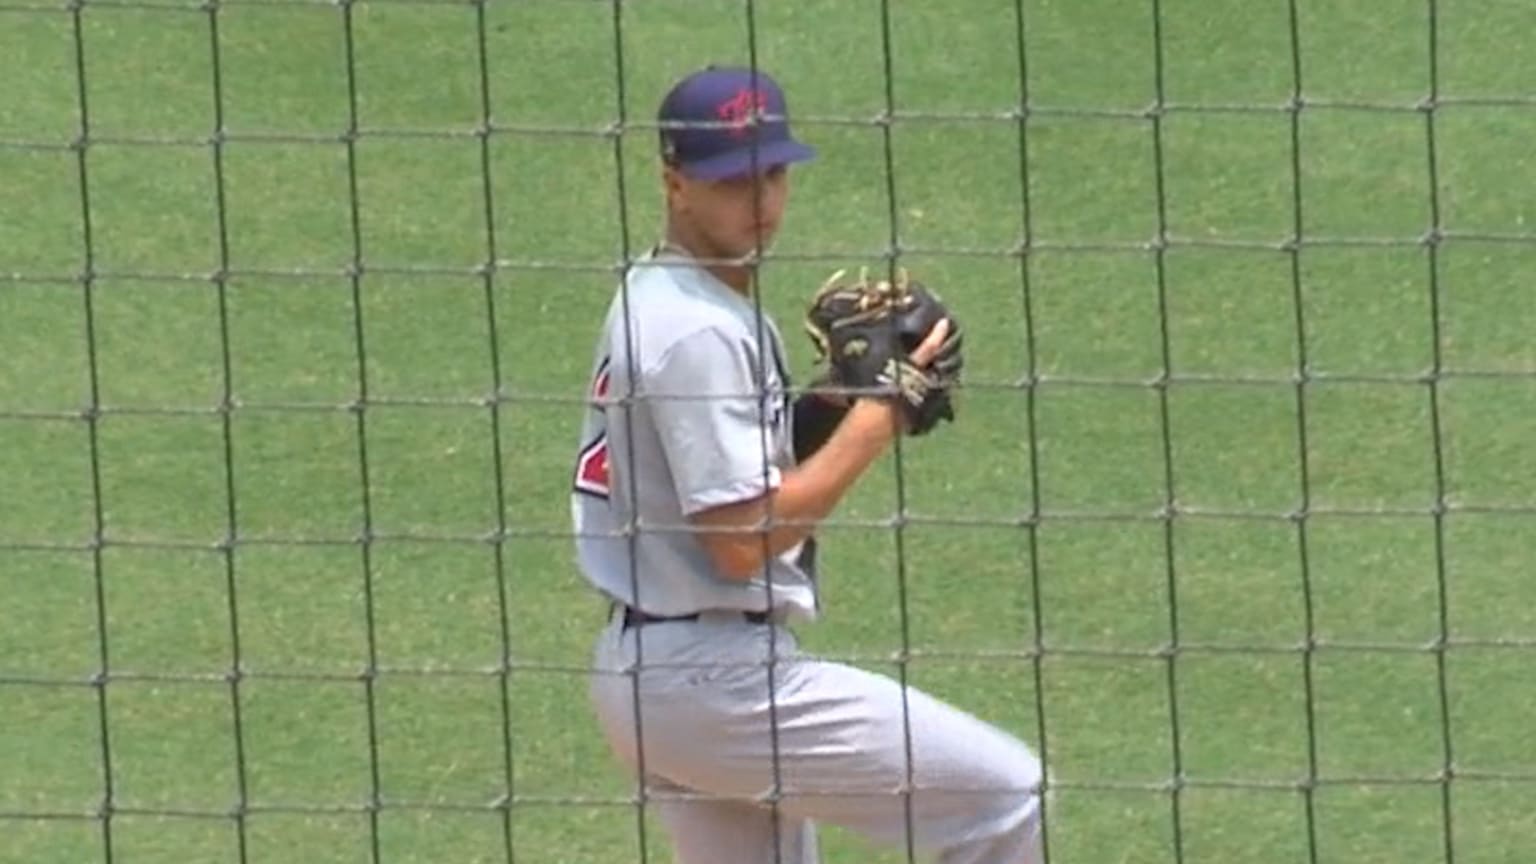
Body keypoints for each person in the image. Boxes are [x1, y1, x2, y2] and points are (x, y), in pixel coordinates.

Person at [571, 63, 1046, 864]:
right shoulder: (698, 330)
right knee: (1003, 797)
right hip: (714, 684)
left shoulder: (669, 295)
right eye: (730, 181)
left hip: (661, 672)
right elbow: (738, 536)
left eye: (774, 174)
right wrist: (880, 411)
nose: (759, 202)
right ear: (674, 182)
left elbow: (725, 468)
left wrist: (829, 403)